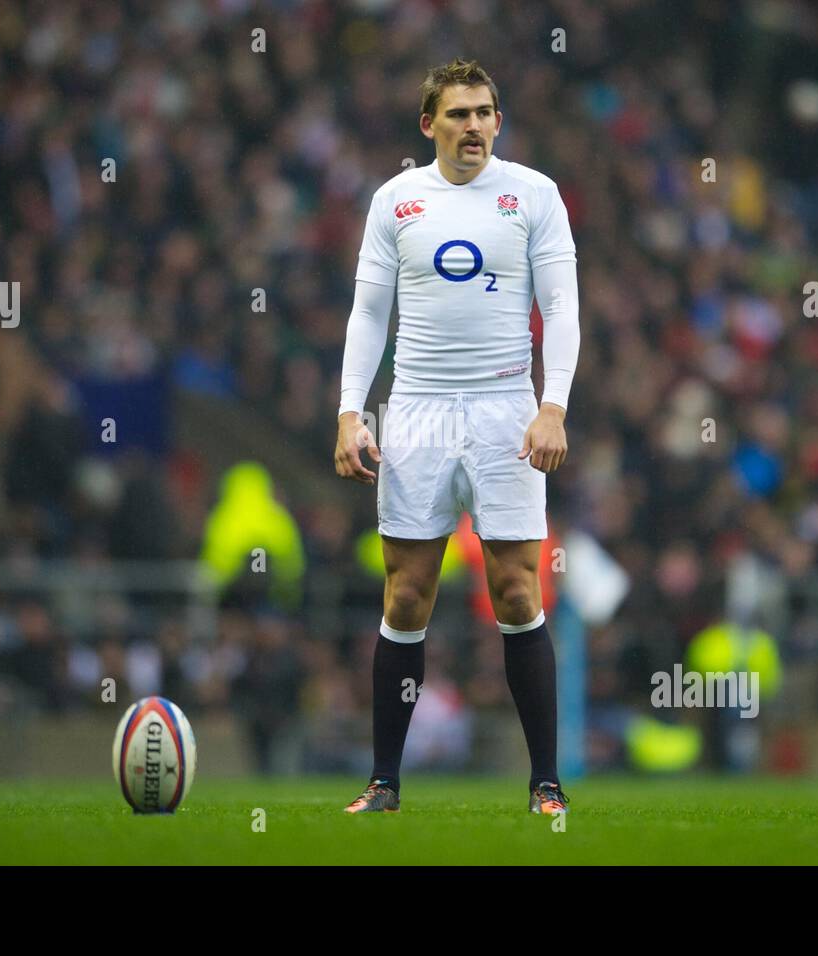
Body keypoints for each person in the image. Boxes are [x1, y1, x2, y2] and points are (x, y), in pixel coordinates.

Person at [333, 58, 580, 814]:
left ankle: (545, 783)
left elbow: (562, 307)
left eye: (484, 112)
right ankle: (384, 783)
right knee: (407, 594)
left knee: (515, 590)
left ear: (498, 121)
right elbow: (370, 313)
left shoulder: (533, 194)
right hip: (418, 409)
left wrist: (553, 405)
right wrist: (351, 411)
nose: (473, 125)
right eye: (458, 113)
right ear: (428, 124)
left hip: (507, 407)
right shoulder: (397, 201)